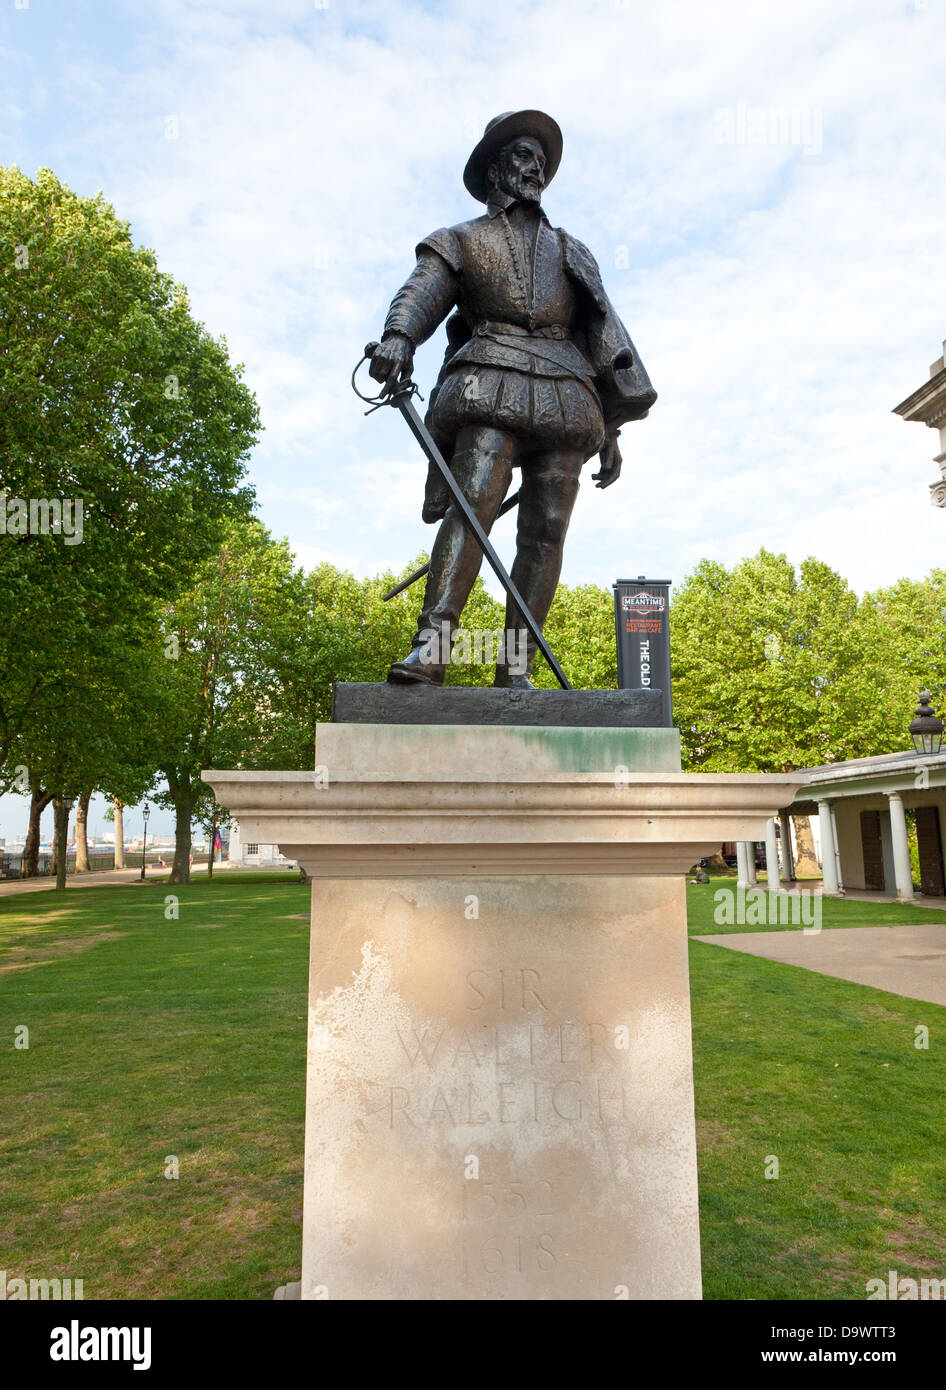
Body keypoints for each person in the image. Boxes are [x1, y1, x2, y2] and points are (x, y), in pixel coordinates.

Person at [369, 110, 656, 688]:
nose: (537, 168)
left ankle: (516, 666)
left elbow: (600, 333)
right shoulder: (462, 239)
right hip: (489, 380)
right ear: (496, 169)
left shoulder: (574, 252)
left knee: (547, 529)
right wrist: (399, 337)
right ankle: (433, 648)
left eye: (541, 161)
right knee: (472, 507)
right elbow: (422, 292)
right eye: (524, 156)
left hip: (565, 392)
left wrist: (614, 431)